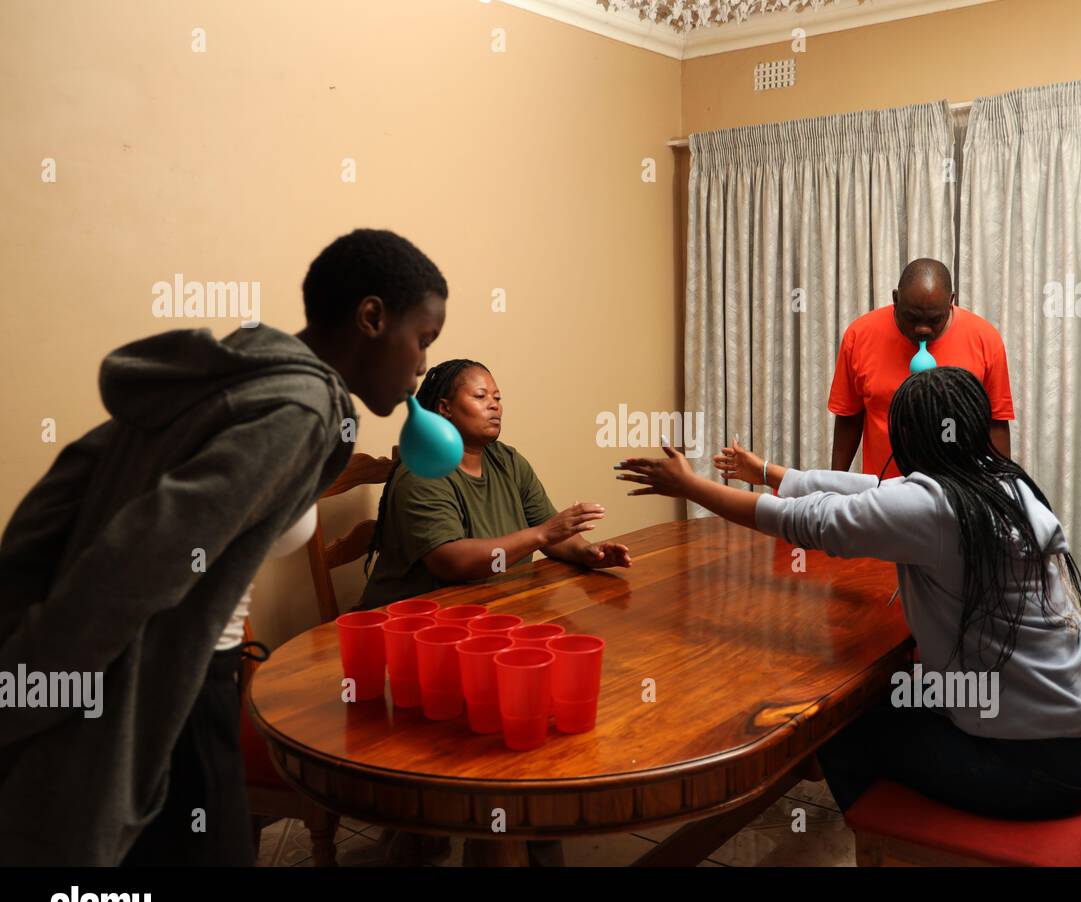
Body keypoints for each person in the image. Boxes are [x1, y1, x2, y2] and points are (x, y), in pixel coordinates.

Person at [0, 228, 448, 864]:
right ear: (372, 317)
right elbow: (137, 561)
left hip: (159, 678)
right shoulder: (306, 409)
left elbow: (68, 490)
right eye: (423, 340)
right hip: (174, 687)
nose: (423, 364)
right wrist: (28, 684)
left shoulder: (237, 379)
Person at [616, 366, 1081, 820]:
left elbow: (805, 521)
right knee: (887, 690)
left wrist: (690, 486)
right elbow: (871, 490)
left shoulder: (937, 509)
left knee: (837, 725)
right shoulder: (1003, 483)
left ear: (907, 436)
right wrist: (768, 472)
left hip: (1037, 767)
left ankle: (891, 840)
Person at [360, 359, 631, 610]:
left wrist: (587, 552)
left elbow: (550, 530)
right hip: (415, 623)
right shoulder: (423, 471)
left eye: (497, 398)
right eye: (481, 396)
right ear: (445, 408)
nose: (495, 406)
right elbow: (450, 562)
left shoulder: (507, 460)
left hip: (491, 608)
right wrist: (541, 534)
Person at [830, 258, 1015, 476]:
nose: (923, 329)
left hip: (958, 496)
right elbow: (849, 418)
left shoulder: (985, 340)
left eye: (935, 319)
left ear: (951, 302)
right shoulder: (859, 336)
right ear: (895, 299)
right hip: (884, 497)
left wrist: (1003, 490)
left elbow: (996, 422)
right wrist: (834, 484)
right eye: (912, 317)